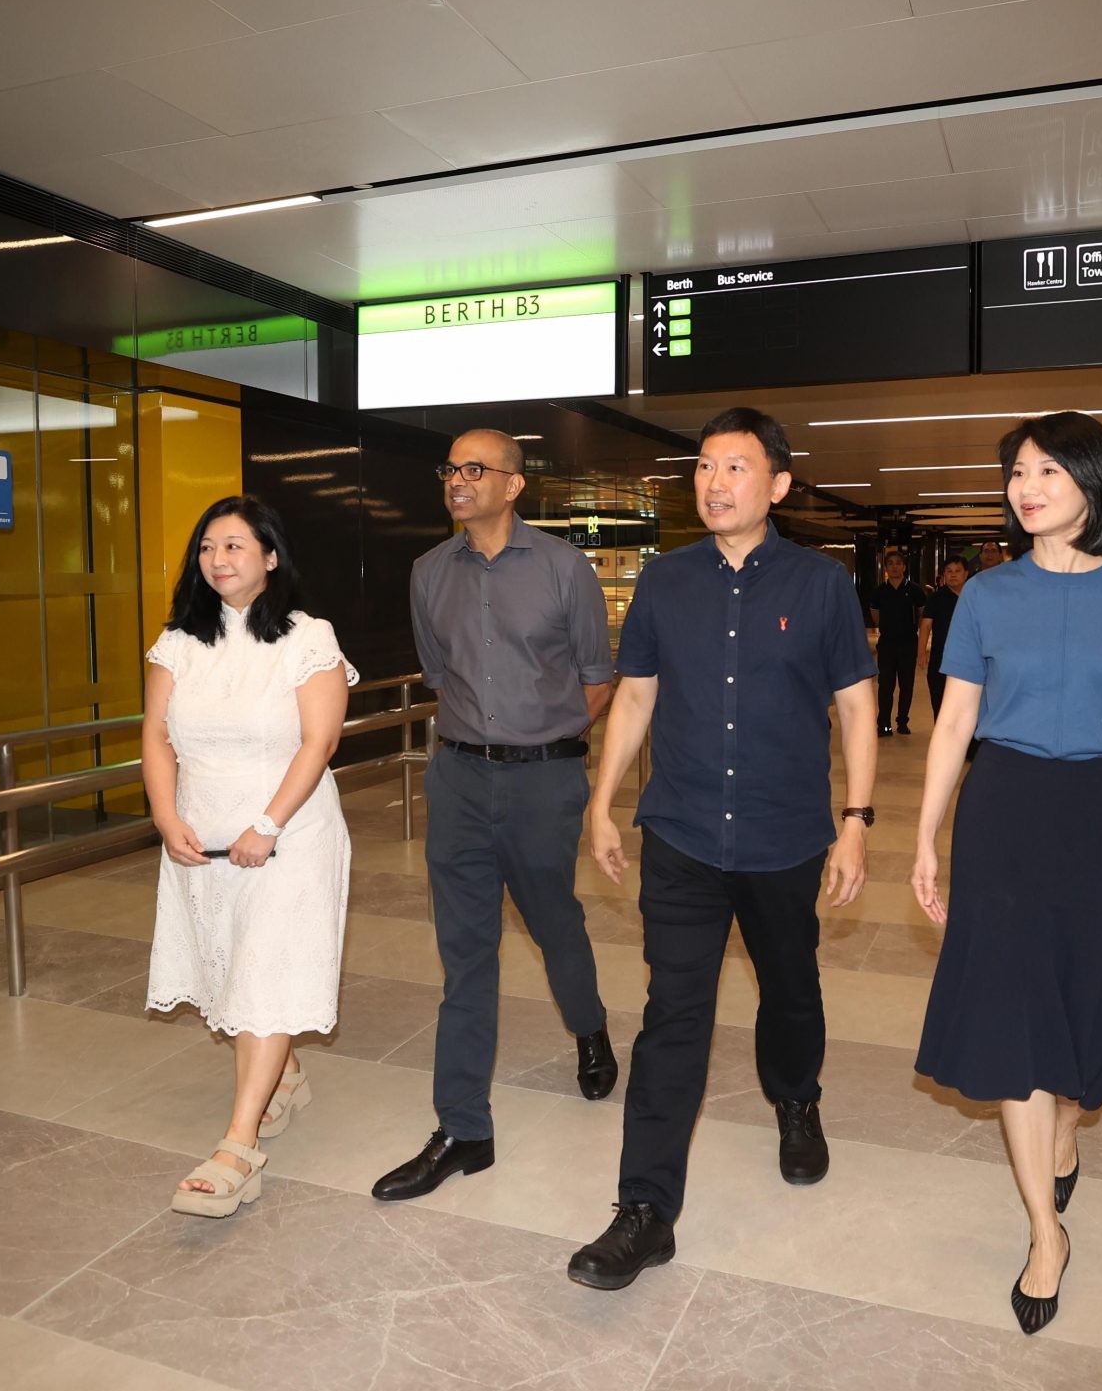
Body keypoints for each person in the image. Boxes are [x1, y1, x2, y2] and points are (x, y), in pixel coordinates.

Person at [567, 406, 878, 1291]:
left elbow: (857, 704)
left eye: (735, 468)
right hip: (684, 833)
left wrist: (856, 819)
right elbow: (633, 700)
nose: (713, 483)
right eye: (704, 467)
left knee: (790, 991)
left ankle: (796, 1095)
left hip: (784, 834)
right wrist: (601, 801)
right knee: (674, 1014)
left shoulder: (820, 585)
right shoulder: (665, 582)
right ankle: (645, 1208)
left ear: (777, 484)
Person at [912, 411, 1102, 1338]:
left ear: (1094, 486)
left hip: (1095, 818)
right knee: (1016, 1023)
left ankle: (1068, 1126)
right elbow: (953, 724)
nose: (1026, 487)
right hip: (1004, 815)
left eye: (1047, 471)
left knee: (1084, 1001)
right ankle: (1044, 1231)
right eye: (1018, 472)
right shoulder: (987, 595)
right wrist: (923, 834)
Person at [372, 429, 618, 1204]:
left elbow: (596, 678)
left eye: (475, 468)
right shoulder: (425, 573)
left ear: (513, 485)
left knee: (554, 923)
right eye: (450, 467)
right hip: (459, 783)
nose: (458, 479)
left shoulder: (562, 567)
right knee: (465, 955)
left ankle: (590, 1025)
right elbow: (439, 673)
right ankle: (462, 1127)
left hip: (544, 782)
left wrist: (541, 741)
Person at [144, 495, 358, 1219]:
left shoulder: (307, 637)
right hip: (201, 834)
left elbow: (318, 741)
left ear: (270, 558)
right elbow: (155, 736)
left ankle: (238, 1149)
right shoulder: (178, 642)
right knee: (231, 965)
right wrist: (165, 813)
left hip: (288, 833)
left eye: (236, 545)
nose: (219, 558)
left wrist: (267, 822)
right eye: (208, 546)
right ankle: (284, 1073)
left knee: (264, 967)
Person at [867, 548, 926, 735]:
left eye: (898, 563)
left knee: (906, 685)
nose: (894, 567)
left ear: (904, 567)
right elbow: (875, 616)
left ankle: (902, 722)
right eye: (890, 563)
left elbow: (922, 614)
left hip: (908, 644)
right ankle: (884, 724)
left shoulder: (914, 590)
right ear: (885, 568)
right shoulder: (879, 591)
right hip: (886, 645)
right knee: (885, 686)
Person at [919, 555, 968, 718]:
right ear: (943, 575)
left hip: (969, 659)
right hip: (941, 658)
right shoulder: (936, 598)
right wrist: (921, 653)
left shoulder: (974, 596)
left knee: (966, 706)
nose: (953, 575)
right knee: (939, 704)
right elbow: (926, 625)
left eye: (957, 571)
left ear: (966, 574)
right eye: (949, 571)